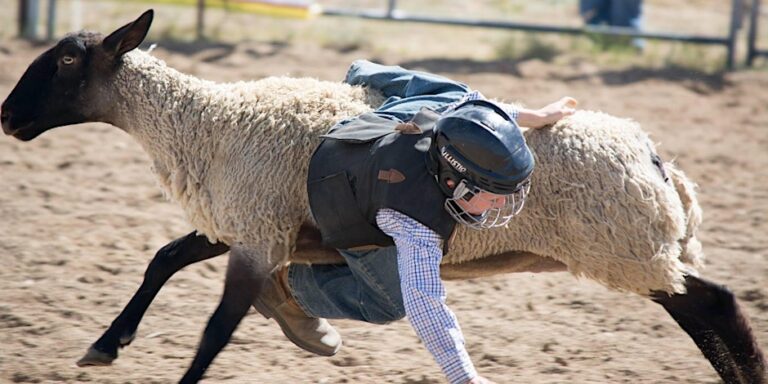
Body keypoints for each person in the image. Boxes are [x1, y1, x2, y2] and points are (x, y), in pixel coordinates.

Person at [253, 60, 577, 384]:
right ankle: (285, 289)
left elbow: (478, 115)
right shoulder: (414, 221)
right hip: (337, 188)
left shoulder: (453, 108)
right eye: (493, 195)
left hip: (375, 131)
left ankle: (362, 71)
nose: (503, 204)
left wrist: (533, 116)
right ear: (452, 183)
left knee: (440, 88)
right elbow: (425, 304)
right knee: (389, 303)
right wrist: (465, 377)